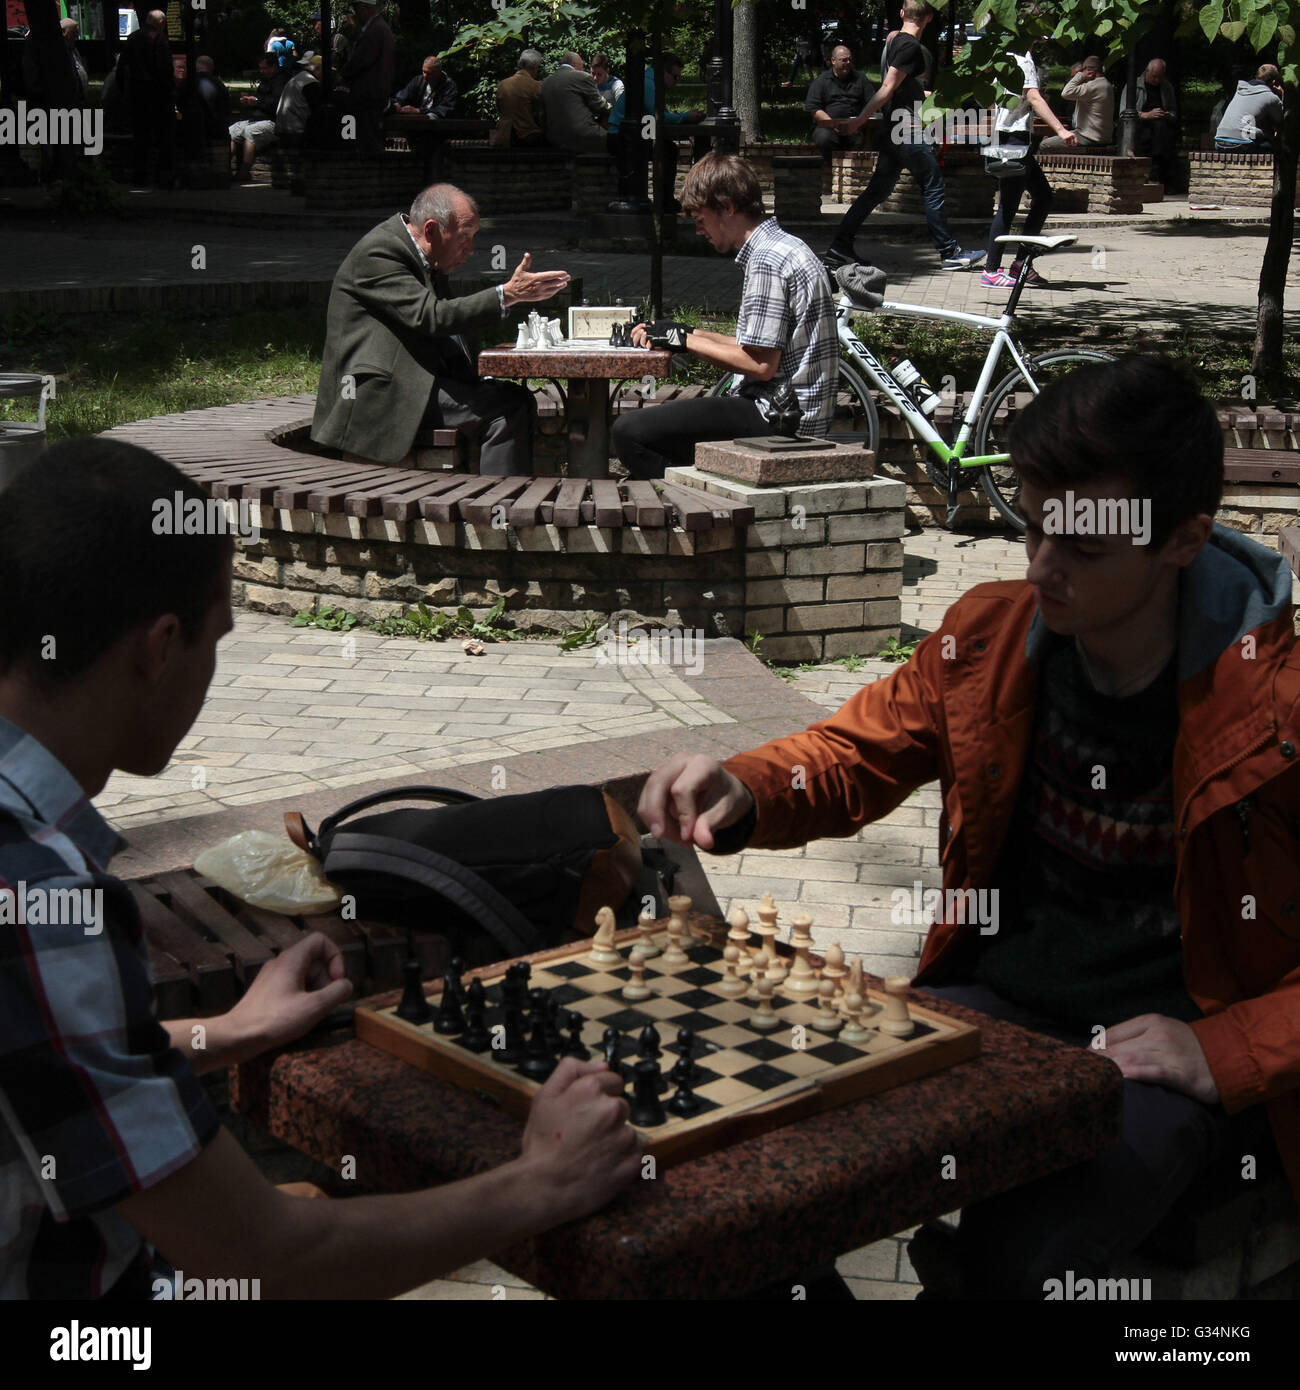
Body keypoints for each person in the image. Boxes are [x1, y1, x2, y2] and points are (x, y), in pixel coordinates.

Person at [636, 355, 1300, 1300]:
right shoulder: (991, 635)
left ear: (1185, 540)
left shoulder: (1278, 706)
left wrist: (1224, 1051)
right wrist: (745, 784)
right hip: (1003, 1007)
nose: (1042, 567)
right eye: (1032, 530)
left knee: (1021, 1255)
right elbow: (857, 751)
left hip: (1171, 1050)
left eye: (1084, 547)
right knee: (744, 1168)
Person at [0, 438, 641, 1300]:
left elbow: (38, 1069)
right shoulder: (38, 895)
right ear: (159, 648)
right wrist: (544, 1181)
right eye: (217, 638)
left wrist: (223, 1035)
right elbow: (270, 1257)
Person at [312, 182, 569, 472]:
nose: (471, 250)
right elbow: (431, 316)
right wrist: (506, 295)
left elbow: (447, 325)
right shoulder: (380, 254)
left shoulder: (425, 257)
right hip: (379, 393)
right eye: (464, 238)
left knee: (515, 398)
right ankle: (499, 509)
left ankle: (504, 498)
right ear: (432, 231)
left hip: (414, 376)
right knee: (505, 409)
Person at [611, 153, 837, 480]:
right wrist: (689, 331)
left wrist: (683, 341)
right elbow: (761, 346)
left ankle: (691, 498)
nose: (698, 230)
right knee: (652, 433)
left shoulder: (767, 260)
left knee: (629, 432)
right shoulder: (784, 246)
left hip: (778, 418)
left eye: (700, 219)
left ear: (727, 207)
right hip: (790, 410)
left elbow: (760, 365)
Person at [826, 3, 984, 272]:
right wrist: (858, 121)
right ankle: (949, 252)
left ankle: (840, 248)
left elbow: (903, 89)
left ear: (901, 13)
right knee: (932, 184)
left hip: (896, 128)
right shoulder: (910, 47)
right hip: (905, 129)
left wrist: (945, 100)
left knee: (877, 190)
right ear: (930, 18)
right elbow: (887, 88)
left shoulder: (894, 42)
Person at [979, 43, 1076, 290]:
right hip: (1014, 139)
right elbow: (1033, 96)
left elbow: (988, 98)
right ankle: (991, 270)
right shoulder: (1022, 59)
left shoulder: (999, 57)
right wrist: (1061, 130)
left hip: (1008, 137)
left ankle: (1021, 263)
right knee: (1007, 207)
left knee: (1043, 197)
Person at [606, 54, 703, 206]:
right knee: (668, 150)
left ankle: (664, 200)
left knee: (667, 149)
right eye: (675, 77)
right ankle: (665, 201)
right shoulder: (649, 85)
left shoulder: (649, 82)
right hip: (622, 138)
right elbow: (658, 116)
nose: (676, 82)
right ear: (663, 72)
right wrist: (685, 116)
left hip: (628, 135)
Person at [123, 9, 178, 190]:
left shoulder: (133, 38)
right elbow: (163, 69)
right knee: (164, 138)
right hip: (157, 96)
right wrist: (169, 89)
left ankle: (139, 176)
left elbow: (123, 67)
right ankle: (164, 177)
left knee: (141, 138)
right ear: (161, 23)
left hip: (137, 95)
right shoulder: (159, 39)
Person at [337, 0, 394, 157]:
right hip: (375, 93)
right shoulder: (381, 28)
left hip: (367, 96)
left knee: (365, 142)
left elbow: (360, 60)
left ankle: (364, 170)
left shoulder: (374, 30)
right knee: (368, 138)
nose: (355, 13)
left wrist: (342, 74)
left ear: (364, 7)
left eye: (356, 8)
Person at [805, 44, 874, 164]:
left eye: (849, 60)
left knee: (868, 138)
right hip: (828, 127)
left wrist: (859, 121)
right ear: (833, 61)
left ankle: (857, 172)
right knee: (824, 138)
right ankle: (833, 170)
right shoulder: (821, 81)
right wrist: (833, 124)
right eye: (844, 60)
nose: (847, 63)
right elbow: (814, 109)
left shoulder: (861, 79)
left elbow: (872, 103)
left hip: (855, 126)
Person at [228, 53, 290, 182]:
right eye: (261, 68)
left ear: (274, 67)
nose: (262, 71)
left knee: (250, 132)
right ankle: (223, 168)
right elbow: (261, 100)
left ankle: (244, 172)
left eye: (265, 68)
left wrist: (256, 101)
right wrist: (249, 103)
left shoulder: (282, 81)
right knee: (232, 131)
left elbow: (275, 104)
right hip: (257, 117)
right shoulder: (265, 81)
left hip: (273, 121)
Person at [1119, 57, 1178, 183]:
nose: (1157, 80)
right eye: (1154, 76)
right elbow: (1123, 113)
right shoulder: (1134, 86)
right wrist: (1145, 115)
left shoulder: (1166, 87)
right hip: (1141, 126)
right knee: (1154, 131)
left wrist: (1167, 115)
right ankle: (1152, 171)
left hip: (1162, 127)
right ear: (1147, 71)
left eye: (1160, 77)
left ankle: (1159, 173)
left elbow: (1174, 112)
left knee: (1162, 129)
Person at [1041, 53, 1112, 150]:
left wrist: (1080, 75)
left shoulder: (1094, 86)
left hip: (1088, 137)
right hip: (1099, 136)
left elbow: (1066, 93)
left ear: (1089, 71)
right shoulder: (1106, 84)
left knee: (1045, 144)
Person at [539, 51, 606, 154]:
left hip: (554, 139)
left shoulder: (546, 82)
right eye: (582, 66)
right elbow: (599, 106)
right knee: (618, 140)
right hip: (584, 135)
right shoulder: (582, 77)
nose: (583, 69)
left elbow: (542, 116)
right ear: (575, 64)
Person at [1214, 64, 1284, 153]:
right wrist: (1281, 96)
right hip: (1240, 144)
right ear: (1274, 82)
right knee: (1273, 145)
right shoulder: (1271, 97)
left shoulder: (1240, 90)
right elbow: (1280, 120)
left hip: (1219, 142)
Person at [494, 49, 544, 148]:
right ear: (535, 67)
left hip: (504, 135)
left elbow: (499, 108)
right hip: (526, 136)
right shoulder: (535, 86)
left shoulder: (502, 84)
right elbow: (540, 112)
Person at [393, 53, 457, 120]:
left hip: (437, 122)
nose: (425, 76)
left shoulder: (449, 86)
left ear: (438, 72)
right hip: (415, 118)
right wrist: (397, 105)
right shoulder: (418, 80)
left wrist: (418, 111)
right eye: (424, 72)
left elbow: (444, 110)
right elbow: (403, 96)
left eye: (429, 73)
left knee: (432, 117)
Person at [277, 53, 319, 144]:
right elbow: (317, 110)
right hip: (296, 132)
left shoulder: (299, 78)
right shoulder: (310, 82)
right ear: (317, 69)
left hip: (283, 129)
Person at [194, 54, 231, 143]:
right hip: (219, 130)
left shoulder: (190, 84)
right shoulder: (219, 85)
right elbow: (227, 108)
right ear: (212, 67)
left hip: (196, 131)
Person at [60, 17, 88, 102]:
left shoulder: (73, 48)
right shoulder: (60, 51)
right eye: (73, 32)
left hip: (79, 95)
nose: (76, 35)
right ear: (63, 32)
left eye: (77, 32)